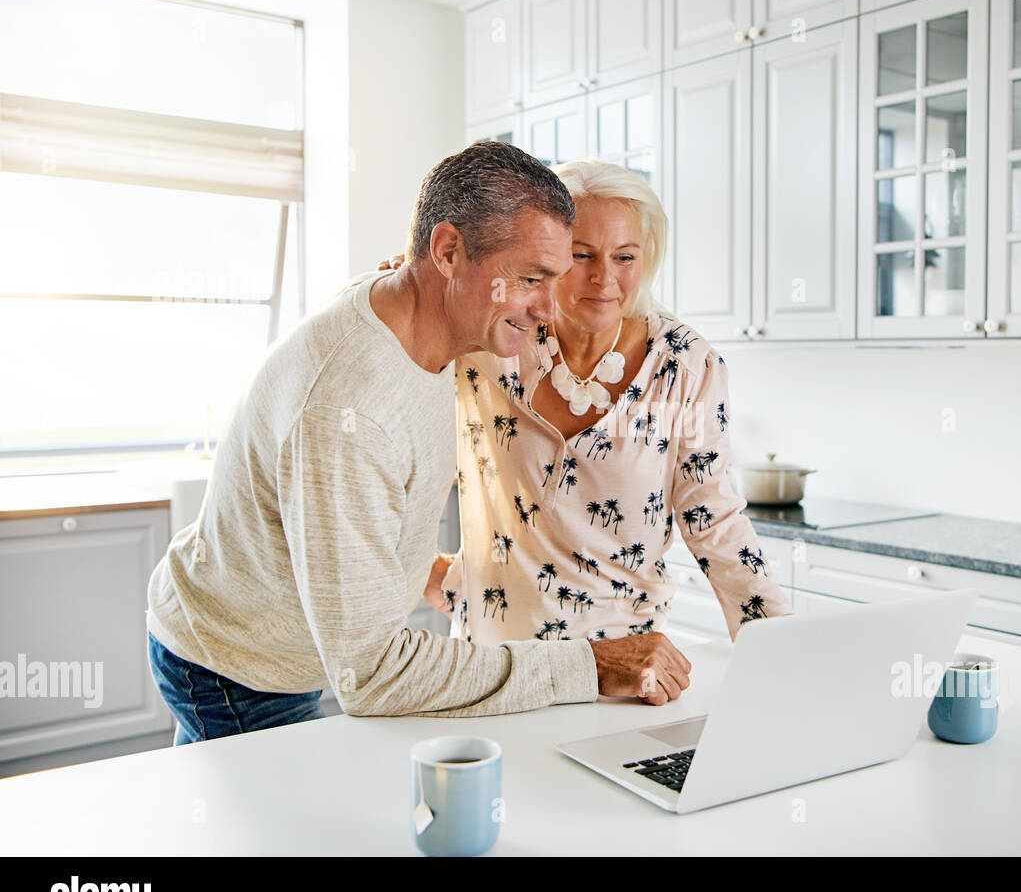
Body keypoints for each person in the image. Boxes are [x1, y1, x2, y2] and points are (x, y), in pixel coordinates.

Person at [146, 142, 692, 745]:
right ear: (449, 251)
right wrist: (590, 665)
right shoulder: (348, 411)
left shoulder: (417, 317)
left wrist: (409, 572)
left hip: (278, 650)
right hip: (236, 673)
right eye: (530, 279)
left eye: (555, 278)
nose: (547, 309)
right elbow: (373, 675)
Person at [387, 159, 792, 652]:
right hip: (492, 661)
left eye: (625, 257)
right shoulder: (491, 338)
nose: (604, 279)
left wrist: (781, 649)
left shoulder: (686, 365)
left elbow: (714, 520)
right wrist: (421, 568)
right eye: (582, 256)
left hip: (622, 664)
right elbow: (382, 434)